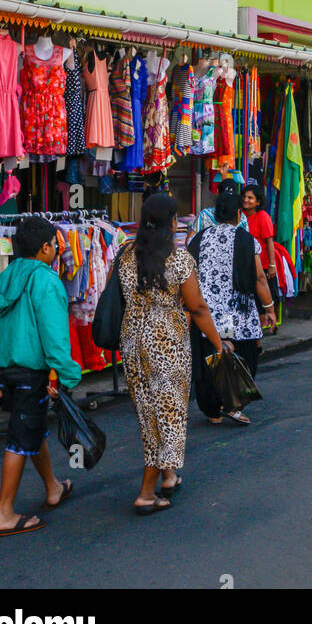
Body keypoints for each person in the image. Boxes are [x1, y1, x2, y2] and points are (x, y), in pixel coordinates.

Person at [0, 215, 83, 536]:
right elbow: (54, 337)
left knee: (30, 426)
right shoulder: (46, 281)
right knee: (20, 439)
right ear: (46, 247)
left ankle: (52, 487)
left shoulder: (3, 279)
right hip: (29, 372)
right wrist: (67, 375)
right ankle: (3, 513)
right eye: (55, 245)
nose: (57, 250)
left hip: (5, 371)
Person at [119, 193, 228, 515]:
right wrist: (219, 344)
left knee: (148, 413)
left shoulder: (125, 255)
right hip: (166, 342)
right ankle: (145, 493)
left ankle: (168, 475)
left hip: (133, 341)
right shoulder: (178, 260)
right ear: (171, 222)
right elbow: (197, 307)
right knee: (167, 416)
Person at [189, 181, 276, 424]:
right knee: (243, 357)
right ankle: (232, 403)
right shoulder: (246, 240)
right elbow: (260, 277)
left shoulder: (198, 239)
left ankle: (212, 410)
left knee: (209, 360)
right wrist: (268, 309)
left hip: (205, 315)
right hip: (237, 313)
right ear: (239, 213)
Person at [241, 183, 279, 328]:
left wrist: (272, 265)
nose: (246, 200)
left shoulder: (262, 216)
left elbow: (269, 242)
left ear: (258, 202)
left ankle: (263, 330)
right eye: (244, 197)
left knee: (261, 301)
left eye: (250, 198)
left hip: (261, 266)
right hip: (245, 266)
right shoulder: (241, 216)